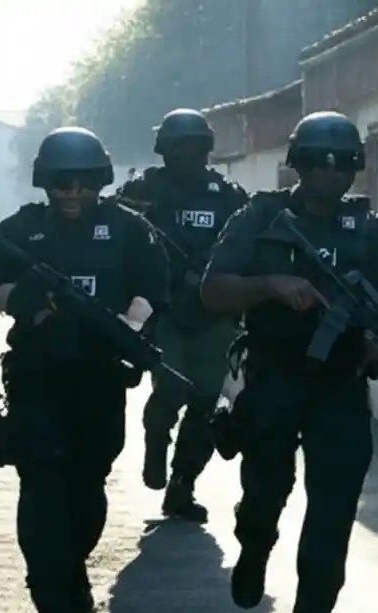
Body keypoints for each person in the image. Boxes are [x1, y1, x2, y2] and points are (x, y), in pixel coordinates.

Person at [200, 111, 378, 613]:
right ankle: (253, 549)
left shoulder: (366, 228)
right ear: (298, 164)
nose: (331, 173)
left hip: (340, 384)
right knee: (265, 492)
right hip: (273, 377)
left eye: (343, 164)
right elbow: (213, 290)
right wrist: (271, 284)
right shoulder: (261, 218)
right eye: (319, 161)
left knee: (333, 510)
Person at [0, 127, 169, 613]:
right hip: (36, 377)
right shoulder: (22, 230)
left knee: (86, 488)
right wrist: (21, 300)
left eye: (82, 182)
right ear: (46, 183)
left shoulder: (129, 230)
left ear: (99, 181)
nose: (71, 192)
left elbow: (155, 287)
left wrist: (129, 324)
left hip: (100, 377)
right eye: (60, 183)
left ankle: (70, 581)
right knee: (40, 491)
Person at [116, 108, 249, 522]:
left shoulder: (228, 196)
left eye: (195, 147)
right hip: (165, 310)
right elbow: (117, 238)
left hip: (214, 313)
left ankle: (183, 485)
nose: (187, 155)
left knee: (206, 402)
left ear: (207, 149)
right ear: (164, 150)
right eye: (178, 147)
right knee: (171, 389)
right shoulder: (143, 190)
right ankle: (156, 441)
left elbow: (249, 246)